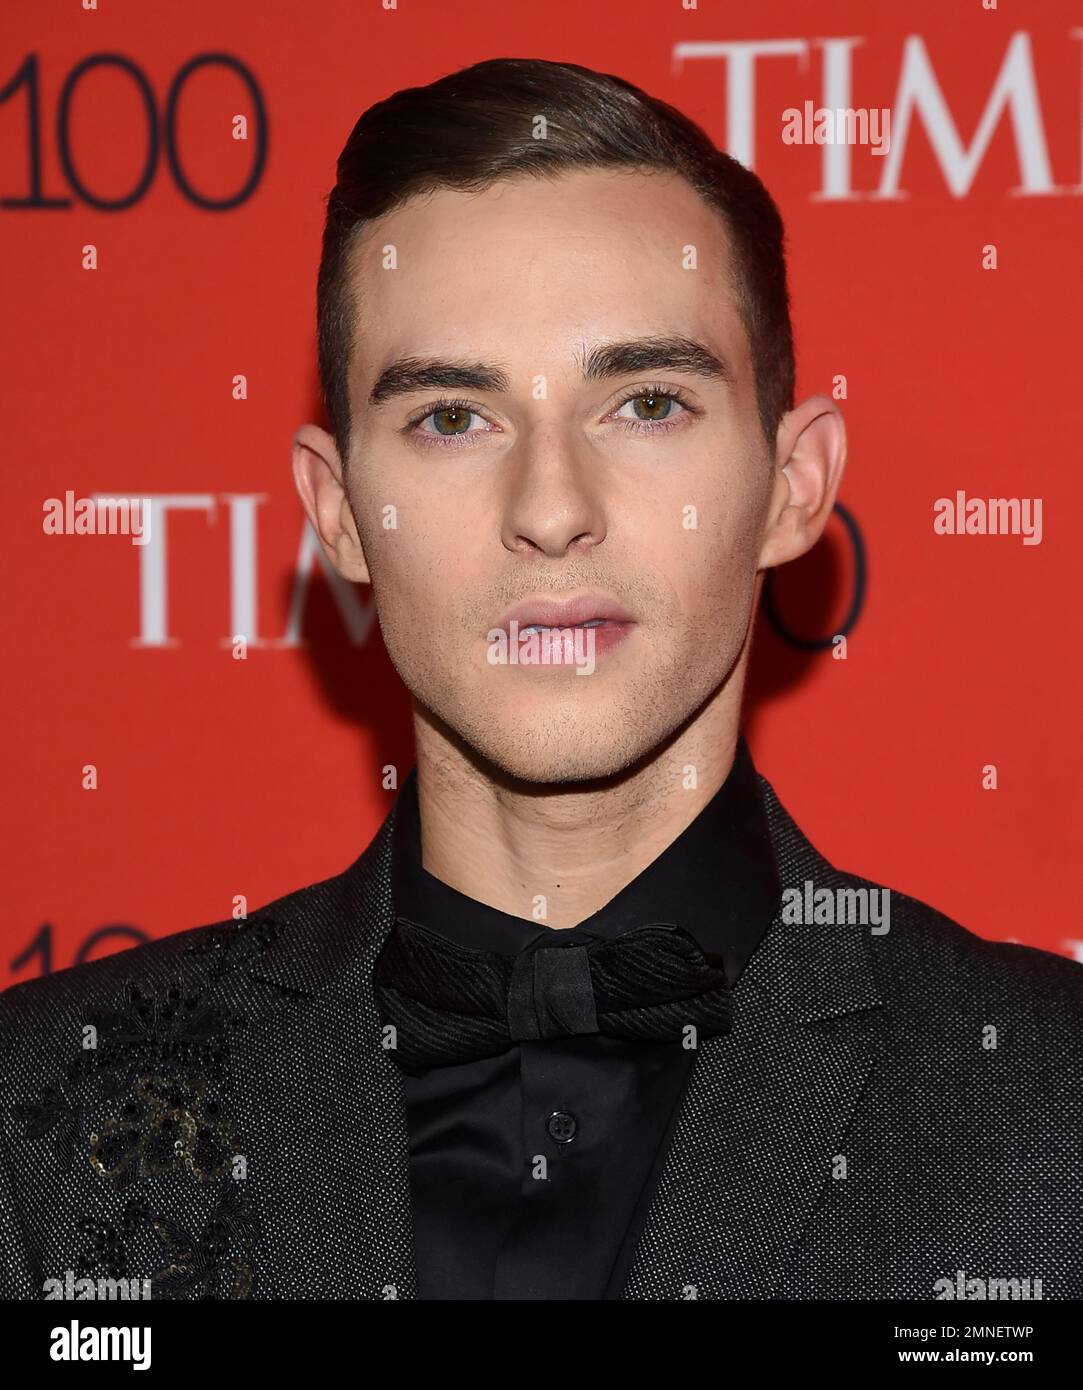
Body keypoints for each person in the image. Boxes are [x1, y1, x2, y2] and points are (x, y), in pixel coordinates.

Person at [2, 57, 1081, 1302]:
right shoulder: (44, 1121)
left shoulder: (1051, 1105)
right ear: (339, 512)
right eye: (454, 418)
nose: (552, 509)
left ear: (794, 486)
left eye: (649, 402)